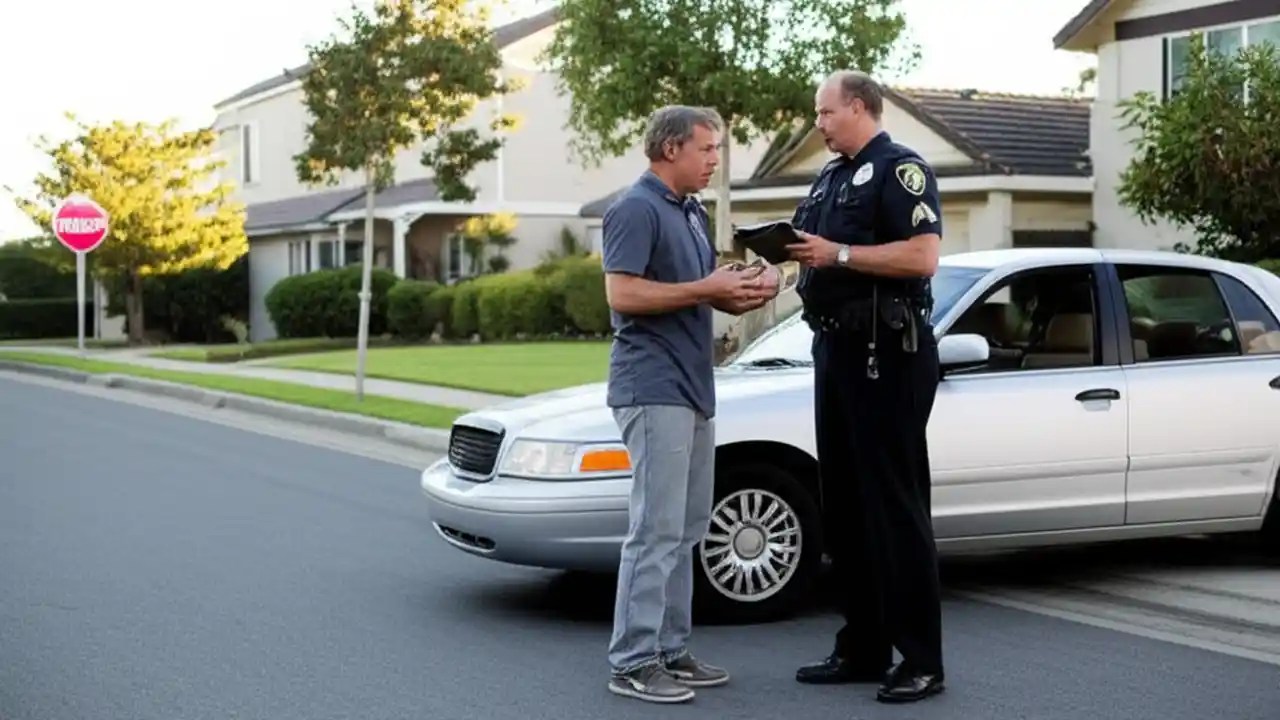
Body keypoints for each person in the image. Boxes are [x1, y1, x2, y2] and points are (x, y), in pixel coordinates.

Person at [600, 104, 781, 704]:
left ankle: (670, 651)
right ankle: (631, 661)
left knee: (687, 529)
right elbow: (623, 293)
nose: (714, 160)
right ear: (671, 148)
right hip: (652, 388)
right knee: (654, 531)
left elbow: (704, 294)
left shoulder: (690, 213)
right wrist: (708, 287)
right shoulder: (634, 208)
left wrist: (748, 289)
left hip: (693, 385)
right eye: (707, 149)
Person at [784, 70, 946, 703]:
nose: (817, 123)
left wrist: (841, 256)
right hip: (837, 349)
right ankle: (864, 645)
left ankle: (923, 659)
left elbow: (921, 257)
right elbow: (810, 247)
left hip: (890, 352)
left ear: (857, 107)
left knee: (895, 506)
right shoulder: (829, 175)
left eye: (824, 112)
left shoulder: (900, 169)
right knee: (846, 506)